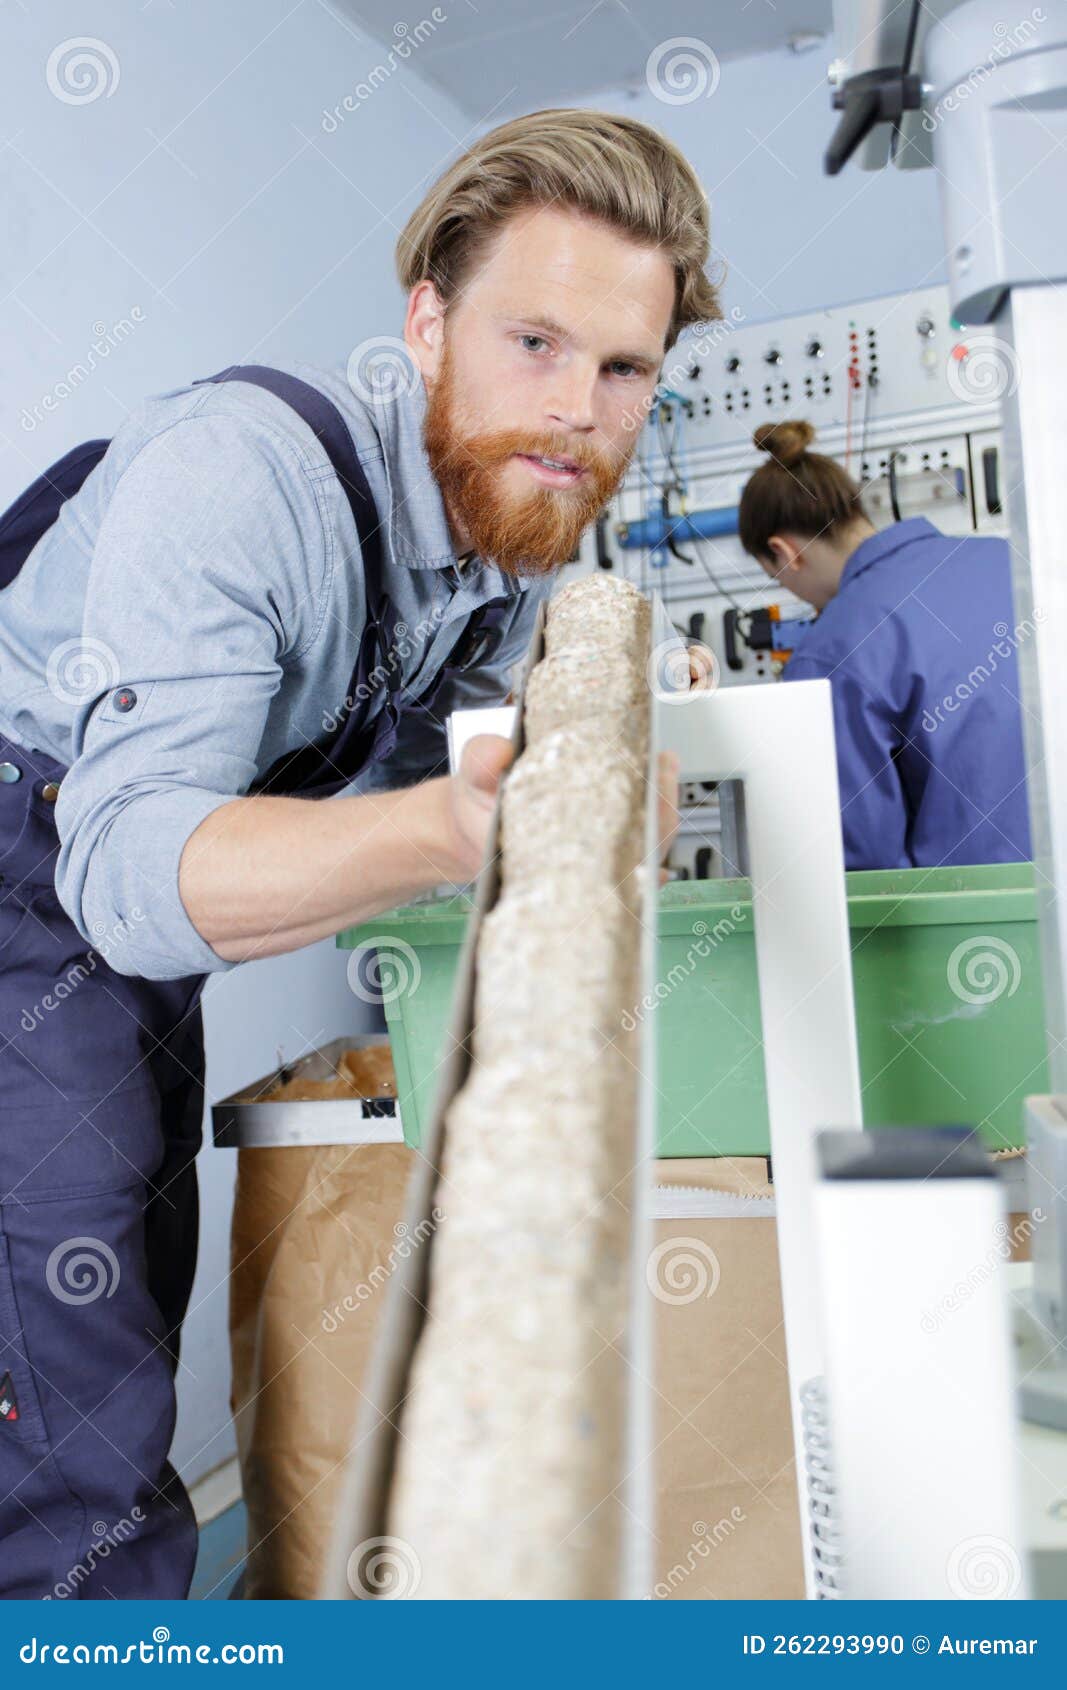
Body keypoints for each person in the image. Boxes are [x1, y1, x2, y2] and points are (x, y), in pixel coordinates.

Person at [0, 107, 711, 1598]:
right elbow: (131, 877)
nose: (579, 408)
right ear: (426, 320)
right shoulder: (238, 478)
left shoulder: (504, 532)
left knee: (125, 1272)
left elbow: (417, 759)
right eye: (534, 342)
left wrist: (565, 766)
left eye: (624, 367)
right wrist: (455, 827)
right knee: (75, 1409)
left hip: (118, 922)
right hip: (45, 870)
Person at [737, 419, 1032, 871]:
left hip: (973, 927)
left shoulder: (830, 652)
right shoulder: (1010, 560)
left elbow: (862, 860)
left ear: (786, 553)